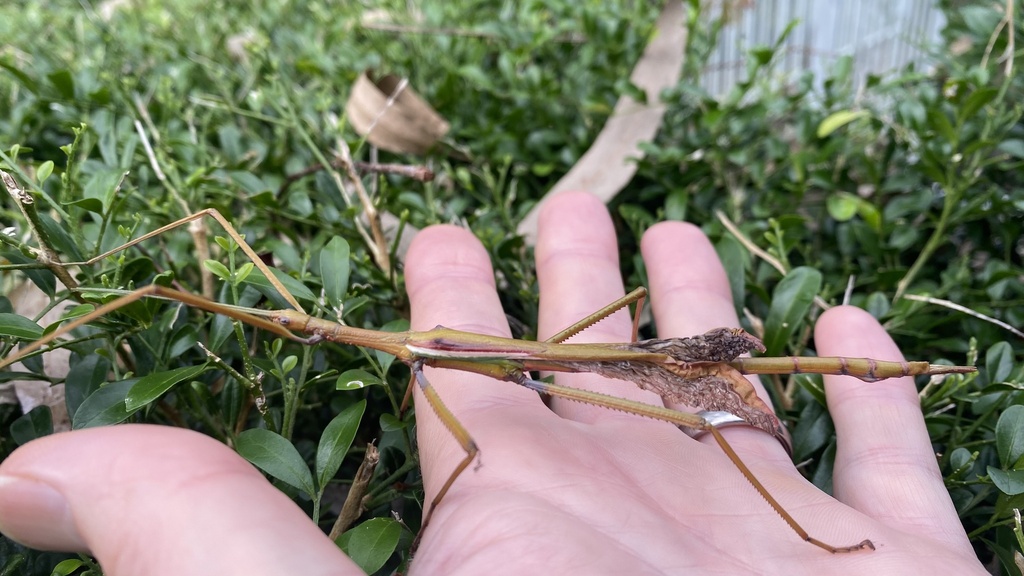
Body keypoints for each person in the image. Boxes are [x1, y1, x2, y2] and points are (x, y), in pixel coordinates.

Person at [0, 192, 987, 575]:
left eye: (292, 325)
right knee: (709, 411)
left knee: (719, 422)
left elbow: (467, 446)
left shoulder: (433, 378)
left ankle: (811, 522)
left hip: (611, 368)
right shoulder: (429, 365)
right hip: (587, 366)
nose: (289, 325)